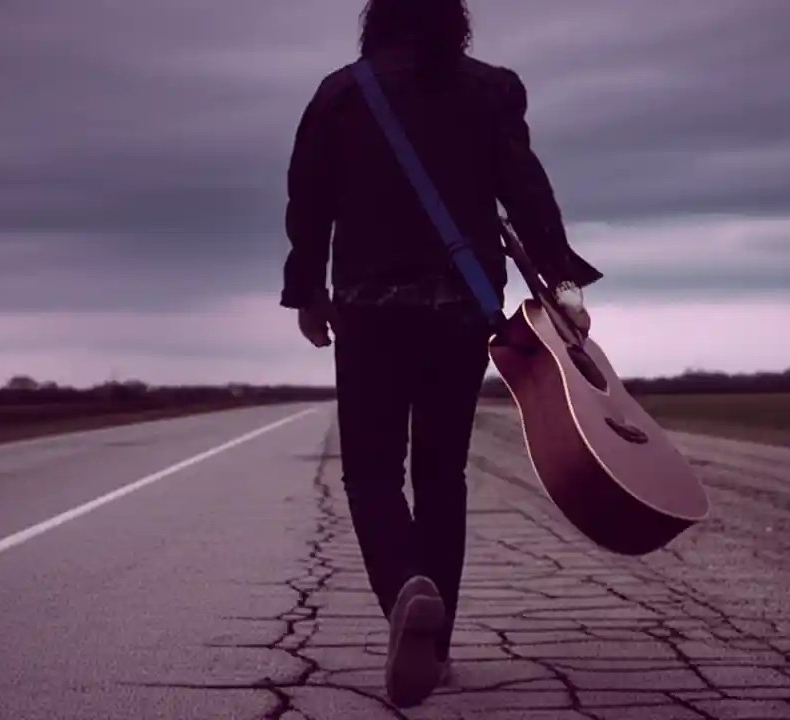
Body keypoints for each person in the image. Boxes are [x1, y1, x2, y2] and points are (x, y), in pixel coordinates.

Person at [279, 0, 602, 707]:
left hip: (368, 309)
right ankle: (440, 643)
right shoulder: (491, 89)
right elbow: (526, 191)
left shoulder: (341, 93)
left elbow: (309, 202)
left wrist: (305, 291)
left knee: (370, 473)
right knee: (441, 472)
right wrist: (560, 276)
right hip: (462, 307)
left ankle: (405, 593)